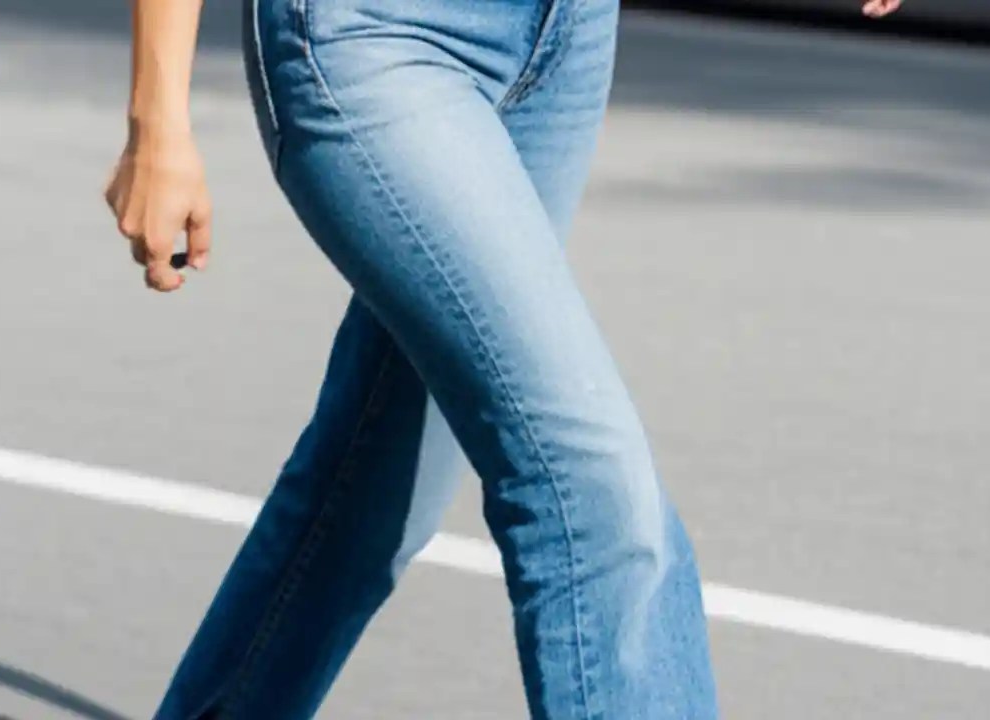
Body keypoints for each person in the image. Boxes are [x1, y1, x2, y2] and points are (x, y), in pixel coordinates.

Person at [103, 0, 903, 717]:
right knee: (593, 493)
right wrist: (156, 119)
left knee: (375, 489)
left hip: (565, 36)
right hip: (374, 38)